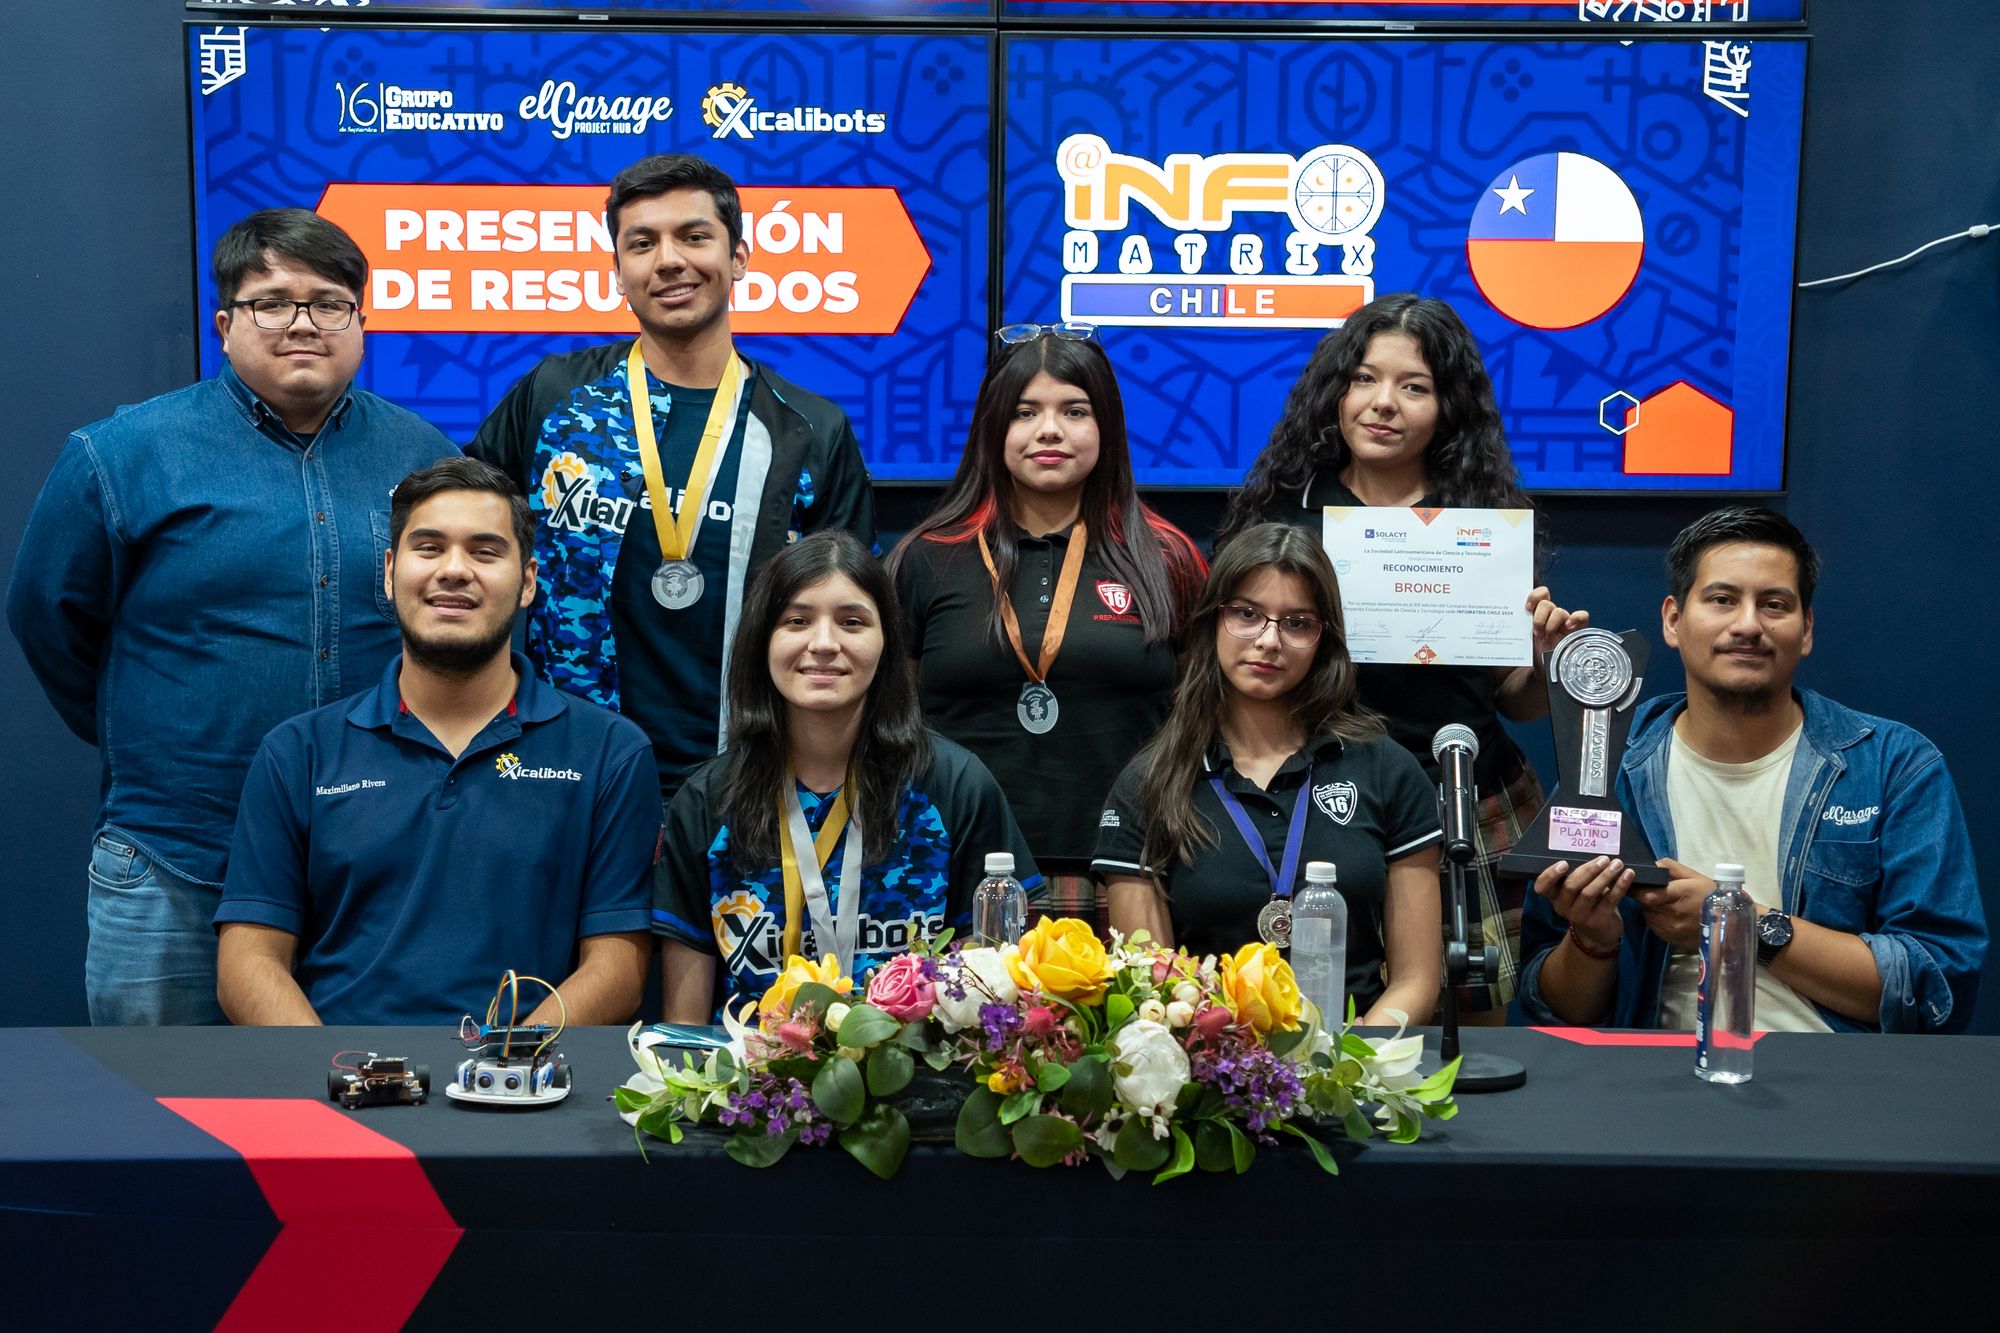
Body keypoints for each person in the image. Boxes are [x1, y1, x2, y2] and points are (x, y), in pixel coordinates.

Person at [6, 208, 457, 1025]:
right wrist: (147, 732)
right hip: (174, 857)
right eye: (272, 302)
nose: (303, 324)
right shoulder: (124, 453)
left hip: (369, 865)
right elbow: (48, 617)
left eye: (329, 303)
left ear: (362, 320)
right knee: (163, 1132)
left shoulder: (427, 458)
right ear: (225, 323)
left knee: (368, 1133)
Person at [1215, 292, 1588, 1022]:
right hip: (1323, 803)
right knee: (1325, 1005)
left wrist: (1545, 658)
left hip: (1465, 796)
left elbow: (1513, 698)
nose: (1383, 403)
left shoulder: (1481, 523)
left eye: (1413, 386)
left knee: (1473, 1010)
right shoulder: (1288, 520)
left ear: (1447, 407)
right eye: (1363, 379)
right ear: (1335, 392)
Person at [467, 153, 874, 800]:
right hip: (560, 781)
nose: (669, 260)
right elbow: (462, 536)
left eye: (693, 236)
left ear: (738, 256)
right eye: (642, 243)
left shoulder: (809, 431)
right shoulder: (554, 398)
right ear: (618, 271)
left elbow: (853, 625)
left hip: (748, 788)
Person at [215, 458, 656, 1026]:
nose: (454, 570)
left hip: (523, 1091)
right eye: (429, 548)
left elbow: (620, 966)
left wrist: (503, 1073)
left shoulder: (610, 753)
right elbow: (248, 960)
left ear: (527, 583)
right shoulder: (298, 753)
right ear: (389, 572)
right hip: (340, 1084)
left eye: (485, 551)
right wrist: (343, 1076)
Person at [1518, 507, 1986, 1033]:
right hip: (1654, 1079)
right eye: (1722, 599)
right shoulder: (1609, 765)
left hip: (1838, 1080)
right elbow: (1557, 1009)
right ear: (1673, 620)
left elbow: (1935, 986)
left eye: (1775, 605)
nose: (1747, 625)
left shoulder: (1893, 765)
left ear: (1805, 629)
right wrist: (1593, 940)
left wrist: (1735, 922)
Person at [889, 325, 1205, 930]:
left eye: (1075, 410)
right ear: (992, 429)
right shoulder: (927, 557)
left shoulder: (1166, 558)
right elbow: (892, 721)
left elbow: (1198, 719)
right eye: (1024, 412)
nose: (1050, 430)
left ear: (1106, 427)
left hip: (1131, 869)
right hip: (953, 865)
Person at [655, 530, 1041, 1022]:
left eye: (852, 622)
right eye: (796, 620)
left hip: (918, 1087)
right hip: (749, 1088)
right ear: (761, 640)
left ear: (887, 642)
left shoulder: (955, 786)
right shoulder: (708, 800)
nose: (823, 644)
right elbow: (686, 1028)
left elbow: (991, 999)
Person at [1094, 523, 1442, 1026]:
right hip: (1213, 1075)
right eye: (1246, 614)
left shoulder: (1385, 768)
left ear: (1325, 639)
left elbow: (1416, 981)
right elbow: (1155, 989)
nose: (1269, 640)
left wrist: (1355, 1057)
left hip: (1357, 1067)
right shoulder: (1148, 783)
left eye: (1297, 623)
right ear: (1212, 621)